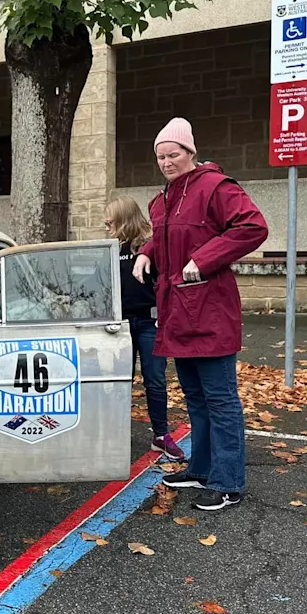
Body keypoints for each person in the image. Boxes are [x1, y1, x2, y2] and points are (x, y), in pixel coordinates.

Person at [133, 118, 268, 512]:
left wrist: (204, 260)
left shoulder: (216, 188)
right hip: (178, 313)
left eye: (173, 154)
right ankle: (203, 468)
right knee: (195, 398)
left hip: (210, 313)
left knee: (221, 399)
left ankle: (228, 483)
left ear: (190, 153)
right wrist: (146, 252)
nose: (166, 161)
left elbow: (253, 227)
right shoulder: (161, 200)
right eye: (160, 156)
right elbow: (165, 239)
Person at [105, 195, 184, 462]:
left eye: (111, 222)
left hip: (150, 323)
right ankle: (114, 436)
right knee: (118, 382)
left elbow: (166, 281)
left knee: (155, 380)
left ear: (125, 219)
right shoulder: (109, 249)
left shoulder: (150, 246)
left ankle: (161, 435)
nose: (107, 227)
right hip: (120, 325)